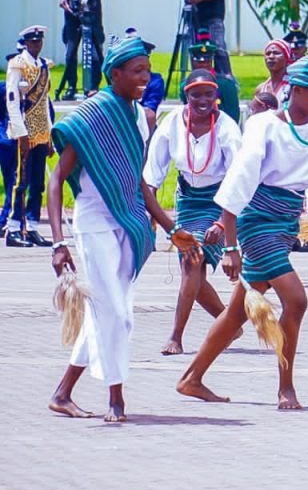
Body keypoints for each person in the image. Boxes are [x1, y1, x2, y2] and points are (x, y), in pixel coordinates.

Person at [177, 47, 308, 409]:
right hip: (256, 220)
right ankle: (286, 387)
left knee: (236, 314)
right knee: (296, 300)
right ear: (292, 88)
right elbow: (239, 183)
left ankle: (191, 378)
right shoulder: (263, 125)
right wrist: (230, 246)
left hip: (285, 221)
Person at [47, 35, 200, 422]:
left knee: (109, 312)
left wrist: (170, 228)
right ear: (114, 74)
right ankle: (117, 398)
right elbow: (55, 179)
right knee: (116, 312)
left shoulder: (140, 118)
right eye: (136, 72)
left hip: (129, 223)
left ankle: (63, 392)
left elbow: (137, 183)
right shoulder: (90, 116)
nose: (145, 78)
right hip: (93, 224)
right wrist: (58, 242)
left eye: (147, 71)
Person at [144, 68, 243, 356]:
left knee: (192, 262)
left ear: (217, 97)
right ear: (186, 96)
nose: (202, 100)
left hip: (218, 201)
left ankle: (176, 336)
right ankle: (230, 324)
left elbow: (239, 181)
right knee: (193, 273)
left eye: (208, 94)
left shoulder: (226, 128)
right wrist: (151, 216)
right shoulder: (172, 123)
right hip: (187, 200)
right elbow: (152, 173)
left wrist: (222, 224)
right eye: (195, 94)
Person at [4, 26, 54, 248]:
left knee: (37, 183)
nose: (37, 45)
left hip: (41, 130)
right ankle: (14, 228)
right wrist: (20, 132)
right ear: (25, 43)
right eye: (33, 42)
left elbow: (45, 103)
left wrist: (49, 134)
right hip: (24, 130)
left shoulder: (44, 66)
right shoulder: (17, 64)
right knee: (20, 181)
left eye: (39, 41)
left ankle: (32, 226)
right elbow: (12, 100)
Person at [179, 29, 240, 123]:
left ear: (212, 60)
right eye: (199, 61)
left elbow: (233, 115)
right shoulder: (184, 85)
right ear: (192, 60)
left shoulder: (225, 84)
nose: (203, 64)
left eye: (207, 60)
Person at [0, 48, 23, 232]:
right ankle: (8, 218)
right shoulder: (3, 88)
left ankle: (11, 218)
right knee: (13, 181)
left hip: (23, 140)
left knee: (16, 182)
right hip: (8, 140)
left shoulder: (33, 87)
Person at [254, 39, 292, 108]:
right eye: (268, 54)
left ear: (287, 58)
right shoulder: (260, 89)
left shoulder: (292, 88)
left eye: (276, 53)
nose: (271, 57)